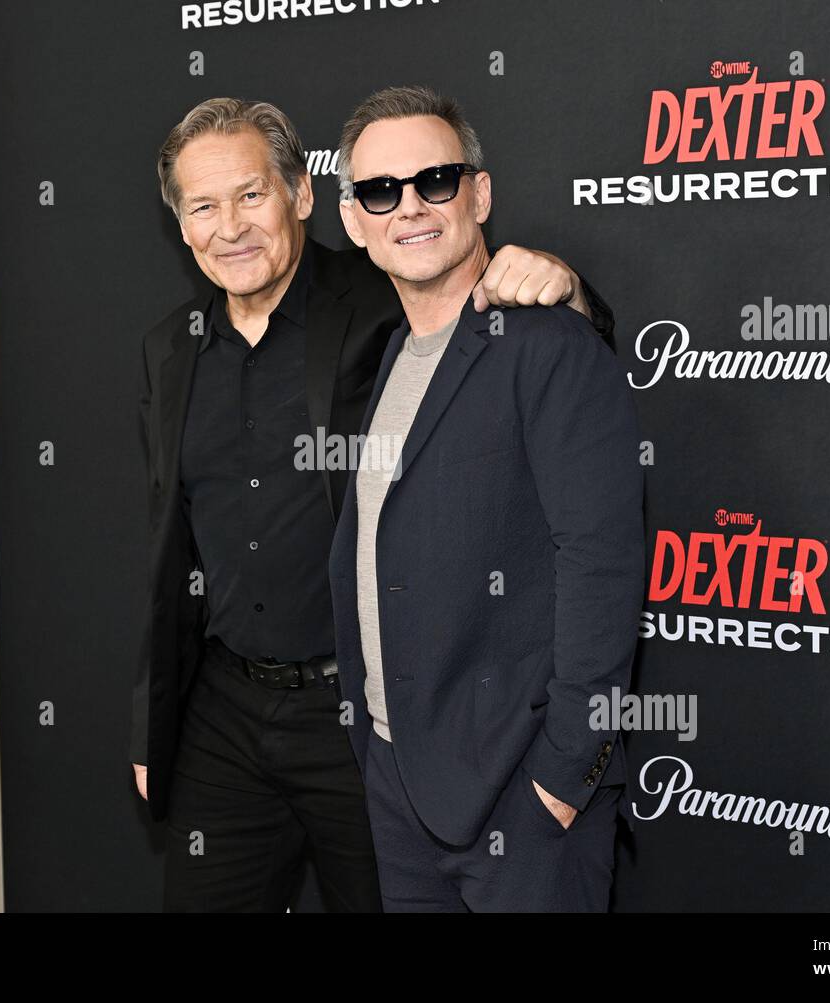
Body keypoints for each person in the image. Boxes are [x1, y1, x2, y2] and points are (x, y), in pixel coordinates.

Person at [134, 95, 616, 912]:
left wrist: (566, 291)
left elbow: (500, 315)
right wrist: (153, 717)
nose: (231, 226)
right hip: (226, 710)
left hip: (363, 711)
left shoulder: (385, 292)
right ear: (181, 226)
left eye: (252, 195)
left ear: (306, 197)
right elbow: (169, 547)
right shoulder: (169, 349)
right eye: (203, 206)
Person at [328, 85, 645, 911]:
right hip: (400, 783)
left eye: (435, 180)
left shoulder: (547, 343)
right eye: (379, 191)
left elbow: (602, 566)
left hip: (521, 793)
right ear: (353, 219)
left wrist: (565, 774)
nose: (410, 208)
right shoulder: (387, 354)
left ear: (480, 192)